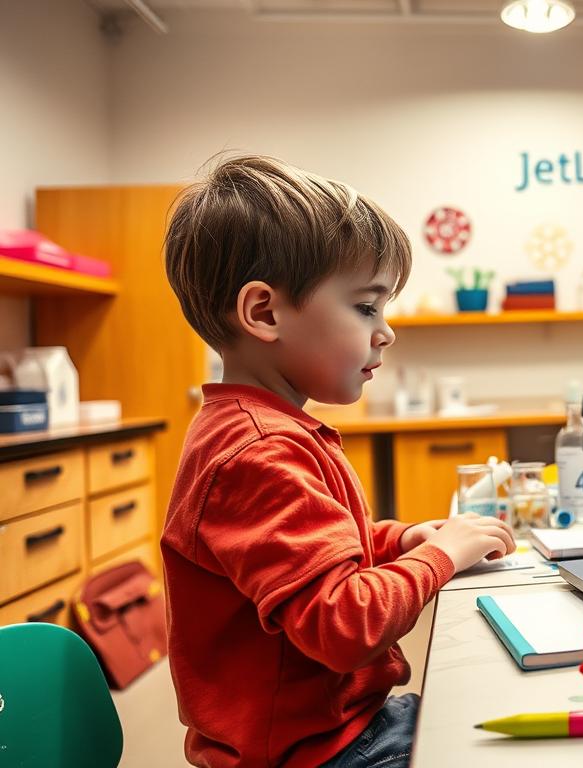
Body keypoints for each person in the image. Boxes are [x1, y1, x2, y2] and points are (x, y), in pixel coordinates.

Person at [160, 155, 516, 767]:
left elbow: (319, 553)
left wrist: (401, 540)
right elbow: (342, 625)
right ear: (265, 314)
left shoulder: (265, 429)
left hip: (346, 725)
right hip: (316, 754)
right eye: (366, 307)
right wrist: (440, 556)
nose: (386, 332)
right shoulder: (257, 452)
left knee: (492, 711)